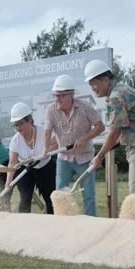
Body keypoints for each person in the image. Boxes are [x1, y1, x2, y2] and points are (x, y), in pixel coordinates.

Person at [85, 59, 135, 194]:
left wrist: (99, 156)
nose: (93, 88)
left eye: (95, 83)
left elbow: (115, 131)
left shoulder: (116, 96)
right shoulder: (122, 88)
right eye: (90, 85)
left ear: (106, 79)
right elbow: (124, 128)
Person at [42, 75, 104, 216]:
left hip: (85, 157)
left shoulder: (84, 107)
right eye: (56, 95)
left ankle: (90, 224)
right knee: (60, 193)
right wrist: (45, 149)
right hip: (64, 158)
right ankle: (63, 223)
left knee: (88, 195)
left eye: (62, 96)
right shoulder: (51, 109)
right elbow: (47, 132)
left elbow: (100, 126)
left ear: (72, 94)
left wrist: (84, 138)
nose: (58, 99)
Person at [6, 102, 56, 214]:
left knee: (50, 199)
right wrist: (9, 182)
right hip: (25, 170)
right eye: (16, 125)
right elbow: (12, 162)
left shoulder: (43, 131)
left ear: (30, 120)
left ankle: (53, 224)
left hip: (46, 167)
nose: (18, 127)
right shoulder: (15, 140)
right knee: (25, 199)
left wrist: (48, 150)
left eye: (20, 123)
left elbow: (56, 143)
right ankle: (24, 224)